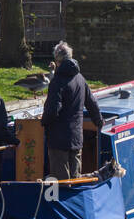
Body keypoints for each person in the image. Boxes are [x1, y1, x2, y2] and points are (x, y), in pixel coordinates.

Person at [41, 42, 102, 181]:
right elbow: (92, 103)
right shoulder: (80, 78)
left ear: (57, 60)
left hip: (58, 139)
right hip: (76, 137)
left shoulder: (57, 81)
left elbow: (53, 109)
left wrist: (43, 122)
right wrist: (99, 121)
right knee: (75, 178)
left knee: (61, 180)